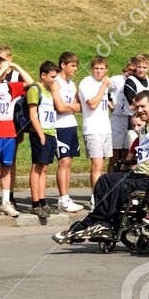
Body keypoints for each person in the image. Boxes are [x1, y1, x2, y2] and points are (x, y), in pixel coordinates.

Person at [53, 90, 149, 245]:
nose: (139, 110)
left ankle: (94, 225)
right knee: (105, 180)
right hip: (139, 173)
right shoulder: (145, 128)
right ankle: (95, 224)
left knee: (121, 186)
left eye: (143, 106)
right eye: (137, 107)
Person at [0, 54, 32, 219]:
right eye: (1, 69)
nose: (5, 73)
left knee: (7, 168)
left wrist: (16, 67)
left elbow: (30, 83)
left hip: (9, 131)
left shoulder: (11, 86)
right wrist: (3, 67)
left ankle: (5, 202)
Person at [24, 61, 61, 214]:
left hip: (50, 132)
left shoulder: (49, 91)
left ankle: (42, 200)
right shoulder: (35, 89)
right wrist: (40, 134)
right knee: (37, 166)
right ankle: (35, 202)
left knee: (44, 168)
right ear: (43, 75)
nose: (54, 79)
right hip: (40, 133)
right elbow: (33, 114)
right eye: (52, 76)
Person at [52, 51, 84, 212]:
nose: (75, 69)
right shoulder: (55, 82)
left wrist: (69, 107)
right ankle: (63, 198)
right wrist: (69, 107)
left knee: (69, 162)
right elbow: (60, 107)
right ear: (63, 65)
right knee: (63, 161)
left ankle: (67, 197)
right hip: (59, 126)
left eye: (76, 65)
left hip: (71, 125)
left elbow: (79, 107)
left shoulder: (72, 85)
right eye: (72, 65)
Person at [78, 54, 115, 188]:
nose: (99, 71)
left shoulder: (105, 84)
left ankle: (100, 193)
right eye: (96, 68)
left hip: (106, 128)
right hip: (93, 129)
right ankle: (96, 196)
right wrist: (103, 87)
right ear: (92, 69)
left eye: (102, 68)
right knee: (97, 166)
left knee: (103, 164)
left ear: (106, 70)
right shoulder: (87, 83)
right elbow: (92, 104)